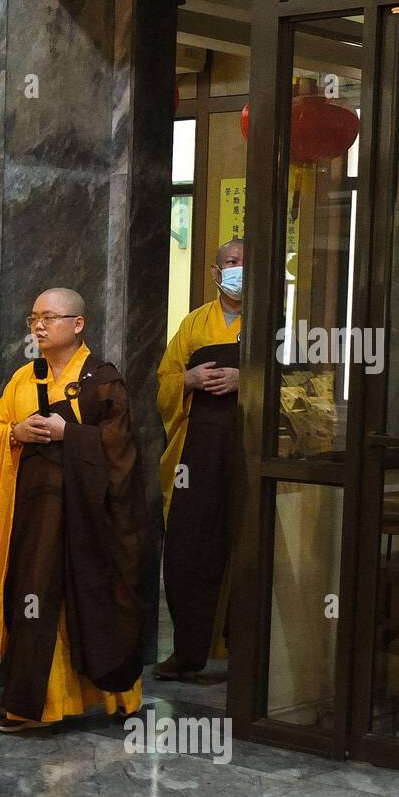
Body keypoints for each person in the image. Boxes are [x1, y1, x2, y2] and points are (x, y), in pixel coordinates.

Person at [0, 289, 149, 732]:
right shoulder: (23, 378)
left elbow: (123, 451)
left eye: (50, 318)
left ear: (78, 324)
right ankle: (35, 706)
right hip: (36, 516)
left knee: (97, 600)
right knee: (35, 601)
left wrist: (69, 435)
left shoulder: (103, 381)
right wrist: (16, 432)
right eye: (33, 317)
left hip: (90, 519)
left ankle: (118, 697)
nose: (39, 326)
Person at [153, 239, 244, 680]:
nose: (238, 270)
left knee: (247, 546)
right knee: (188, 549)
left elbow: (298, 379)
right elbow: (165, 378)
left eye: (245, 263)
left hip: (248, 451)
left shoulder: (272, 322)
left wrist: (249, 379)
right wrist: (188, 378)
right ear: (214, 272)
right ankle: (186, 651)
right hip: (197, 450)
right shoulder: (194, 324)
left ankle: (245, 654)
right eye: (230, 263)